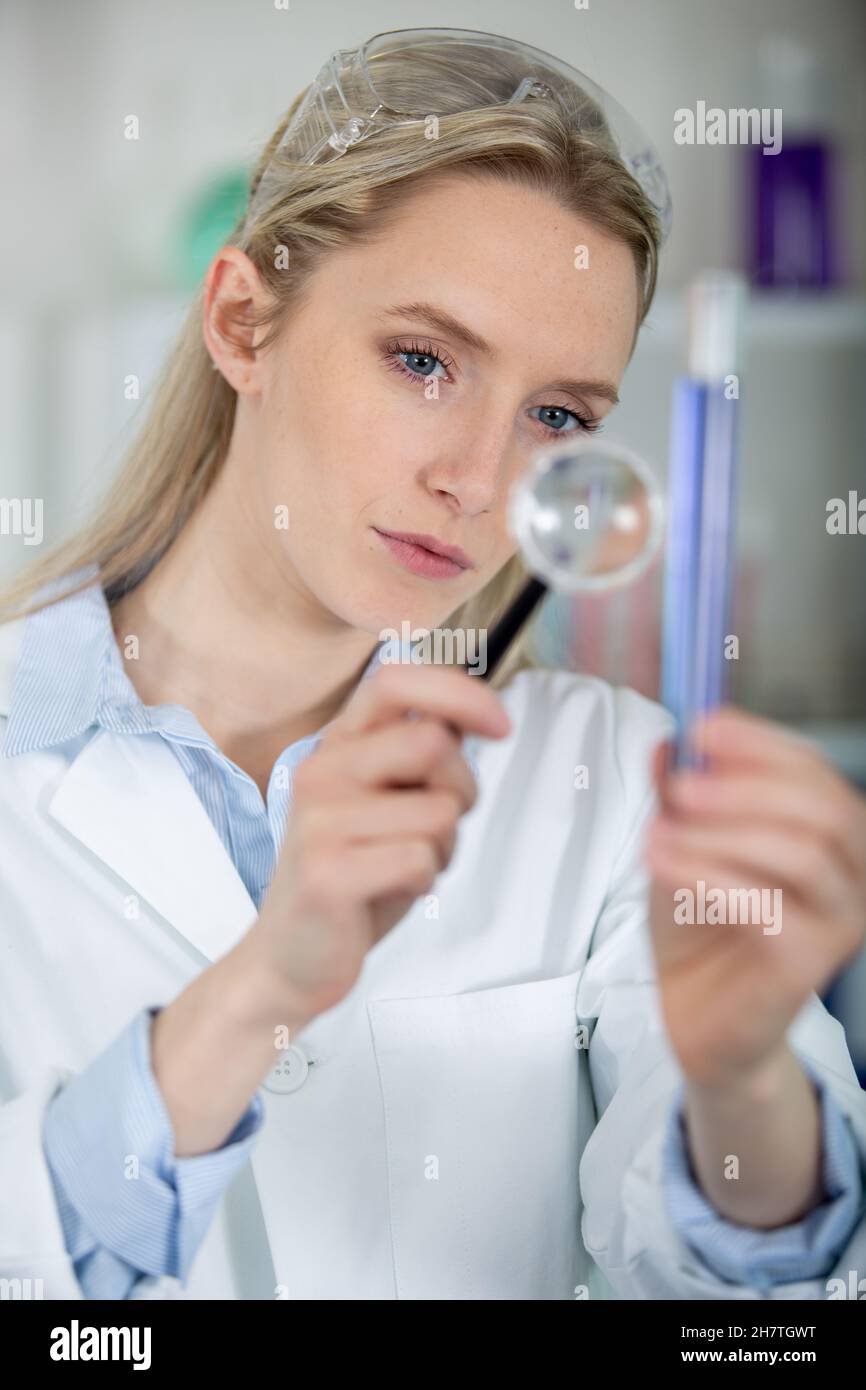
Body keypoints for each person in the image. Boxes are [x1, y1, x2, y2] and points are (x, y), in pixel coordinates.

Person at [1, 27, 865, 1302]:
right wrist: (260, 990)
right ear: (243, 320)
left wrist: (739, 1081)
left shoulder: (615, 781)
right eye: (421, 361)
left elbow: (747, 1313)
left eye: (556, 415)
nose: (478, 478)